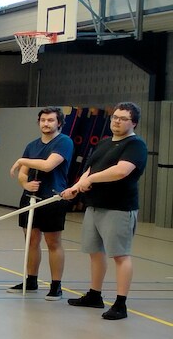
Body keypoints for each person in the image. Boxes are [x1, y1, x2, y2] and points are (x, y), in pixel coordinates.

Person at [60, 102, 147, 321]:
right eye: (115, 117)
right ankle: (94, 295)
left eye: (123, 118)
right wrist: (76, 187)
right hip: (94, 205)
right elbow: (91, 167)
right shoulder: (105, 142)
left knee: (120, 254)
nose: (117, 121)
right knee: (95, 252)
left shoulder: (135, 145)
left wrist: (91, 179)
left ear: (133, 122)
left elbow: (120, 171)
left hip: (118, 208)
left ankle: (120, 303)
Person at [8, 107, 74, 299]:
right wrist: (25, 183)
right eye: (43, 120)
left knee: (53, 242)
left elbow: (48, 165)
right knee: (31, 241)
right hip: (30, 198)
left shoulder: (64, 142)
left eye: (51, 120)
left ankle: (56, 286)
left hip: (52, 198)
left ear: (59, 123)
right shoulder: (32, 145)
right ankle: (31, 280)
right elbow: (23, 173)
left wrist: (21, 160)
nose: (46, 123)